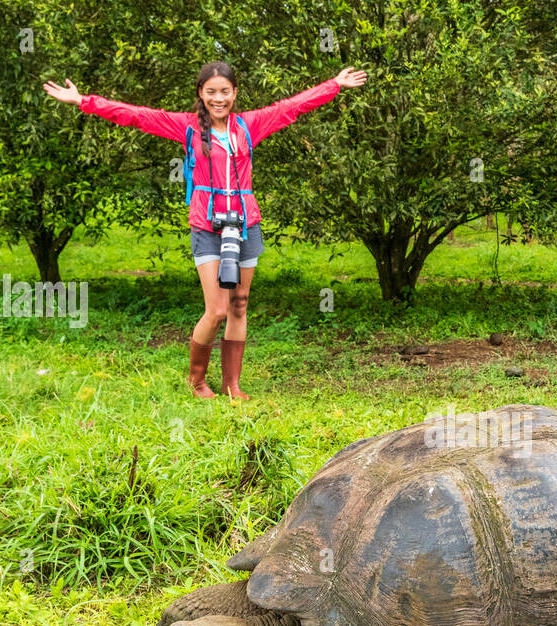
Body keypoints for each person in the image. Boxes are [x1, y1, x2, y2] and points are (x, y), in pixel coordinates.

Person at [44, 63, 367, 399]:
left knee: (239, 305)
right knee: (216, 310)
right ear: (201, 93)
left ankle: (232, 385)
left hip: (244, 225)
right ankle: (196, 381)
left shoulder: (249, 125)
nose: (218, 98)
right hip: (207, 225)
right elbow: (135, 115)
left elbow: (291, 107)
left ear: (235, 93)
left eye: (225, 91)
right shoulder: (186, 127)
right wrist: (83, 100)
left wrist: (335, 84)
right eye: (211, 91)